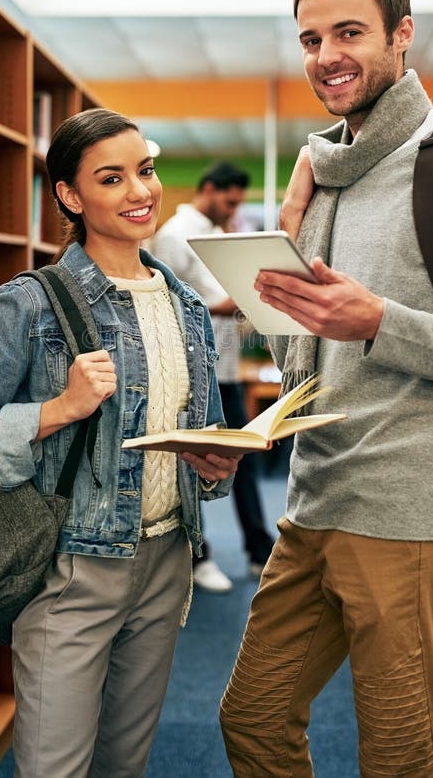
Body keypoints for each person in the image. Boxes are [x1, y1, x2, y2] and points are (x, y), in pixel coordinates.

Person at [219, 0, 433, 777]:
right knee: (253, 721)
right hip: (313, 499)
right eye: (309, 39)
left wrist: (381, 320)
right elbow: (303, 357)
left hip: (405, 515)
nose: (325, 56)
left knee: (401, 757)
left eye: (348, 32)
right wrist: (292, 229)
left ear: (401, 36)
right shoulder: (321, 176)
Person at [0, 108, 241, 778]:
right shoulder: (29, 304)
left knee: (124, 764)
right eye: (112, 178)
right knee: (55, 768)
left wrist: (213, 467)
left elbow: (192, 442)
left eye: (145, 172)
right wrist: (56, 410)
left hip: (166, 560)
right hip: (71, 568)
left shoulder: (186, 308)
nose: (140, 192)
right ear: (69, 195)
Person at [152, 162, 276, 591]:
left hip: (225, 368)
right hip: (191, 372)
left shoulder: (216, 235)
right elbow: (168, 304)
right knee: (194, 463)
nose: (233, 210)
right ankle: (198, 558)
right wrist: (239, 302)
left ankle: (259, 550)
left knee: (240, 460)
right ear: (208, 189)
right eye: (230, 201)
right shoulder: (172, 236)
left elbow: (217, 300)